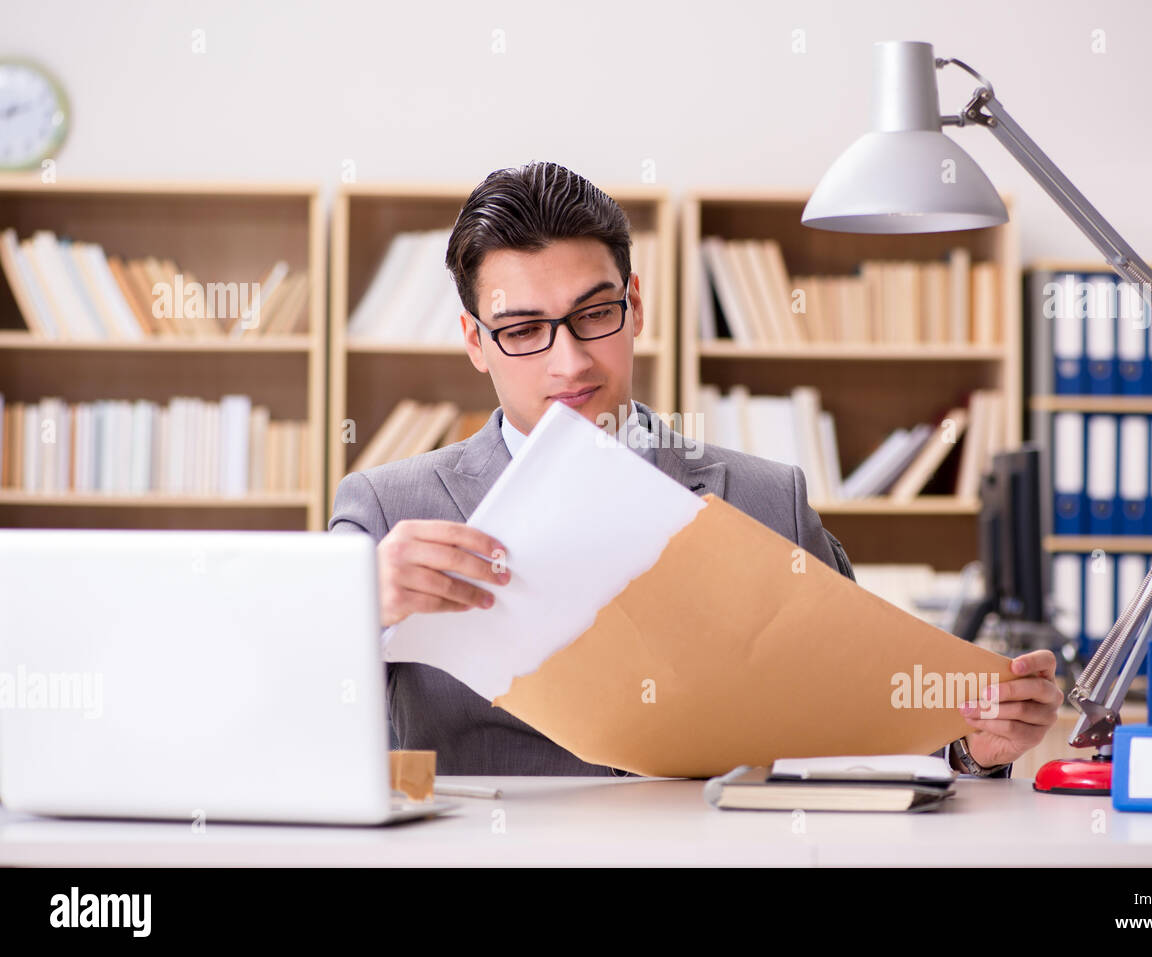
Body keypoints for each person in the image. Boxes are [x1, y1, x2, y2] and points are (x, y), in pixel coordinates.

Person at [329, 161, 1062, 776]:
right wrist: (360, 606)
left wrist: (970, 745)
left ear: (636, 305)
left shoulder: (770, 497)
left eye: (594, 314)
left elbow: (868, 715)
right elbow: (279, 717)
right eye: (523, 330)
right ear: (475, 341)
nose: (571, 360)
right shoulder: (389, 509)